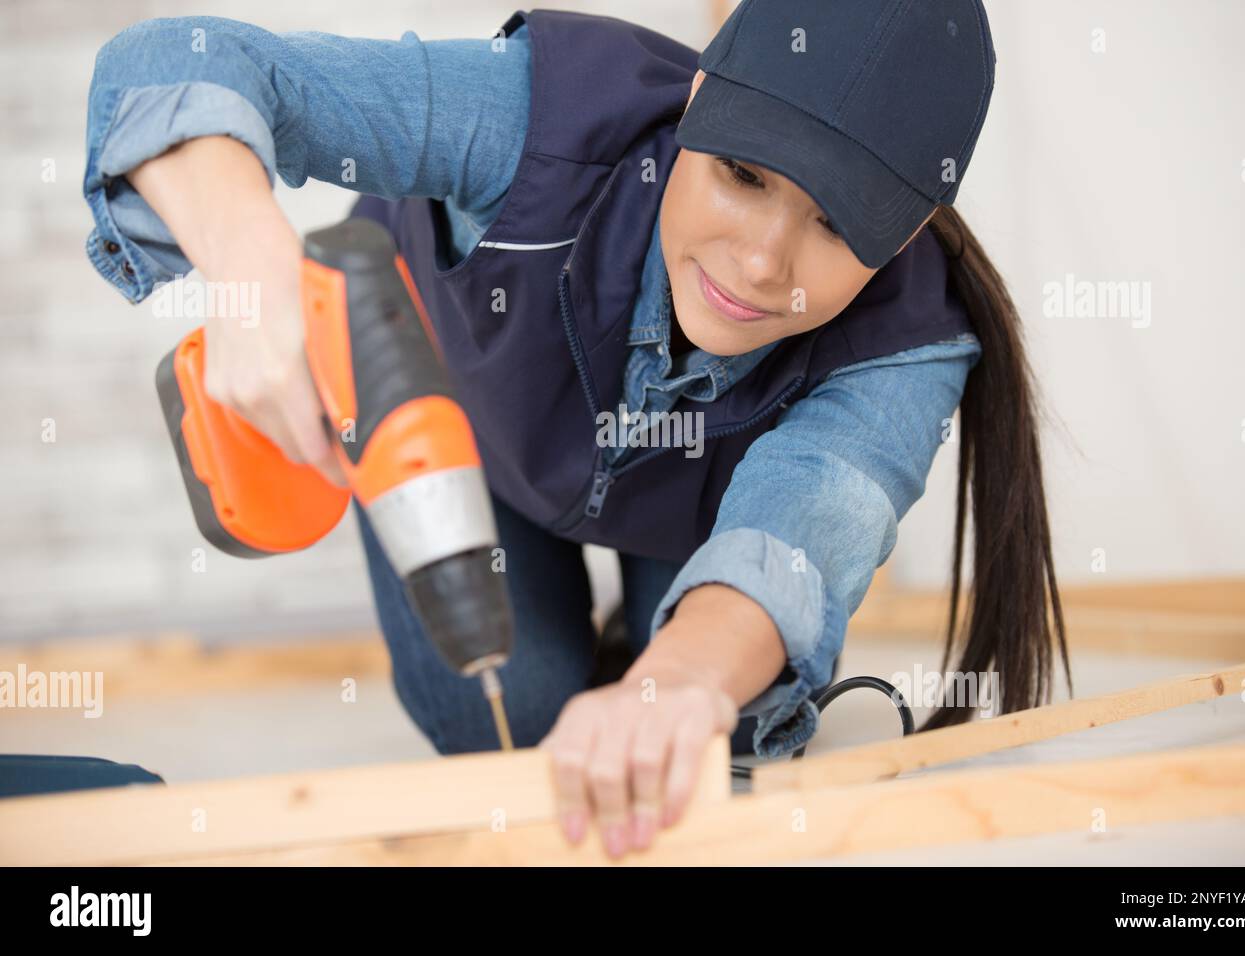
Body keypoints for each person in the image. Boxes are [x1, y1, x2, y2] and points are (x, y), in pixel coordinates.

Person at [83, 0, 1069, 858]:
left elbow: (802, 530)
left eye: (836, 223)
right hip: (468, 416)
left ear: (899, 237)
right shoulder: (541, 117)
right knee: (507, 717)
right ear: (693, 107)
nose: (762, 262)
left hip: (686, 509)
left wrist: (678, 679)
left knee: (692, 750)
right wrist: (253, 273)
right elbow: (185, 55)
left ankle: (640, 641)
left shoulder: (910, 338)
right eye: (742, 173)